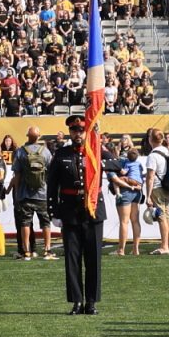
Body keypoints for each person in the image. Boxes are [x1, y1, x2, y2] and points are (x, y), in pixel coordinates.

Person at [53, 122, 102, 315]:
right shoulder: (61, 154)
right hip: (70, 210)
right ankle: (77, 301)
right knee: (72, 259)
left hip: (93, 211)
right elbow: (53, 184)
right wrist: (54, 211)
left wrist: (97, 140)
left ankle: (91, 302)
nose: (78, 134)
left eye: (81, 130)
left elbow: (114, 163)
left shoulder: (95, 152)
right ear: (70, 133)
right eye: (74, 131)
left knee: (93, 259)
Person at [13, 133, 52, 261]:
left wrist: (17, 193)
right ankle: (47, 250)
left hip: (25, 193)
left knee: (25, 222)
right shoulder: (45, 151)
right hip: (42, 193)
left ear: (27, 136)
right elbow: (50, 173)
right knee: (45, 222)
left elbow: (17, 175)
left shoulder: (20, 152)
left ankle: (27, 251)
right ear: (39, 137)